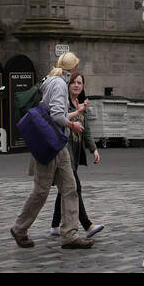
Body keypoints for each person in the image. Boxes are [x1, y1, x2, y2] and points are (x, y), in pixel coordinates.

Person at [10, 52, 94, 250]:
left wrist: (75, 113)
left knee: (70, 188)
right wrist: (72, 126)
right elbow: (57, 116)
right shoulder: (58, 84)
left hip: (58, 144)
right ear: (72, 68)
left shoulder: (51, 80)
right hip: (51, 144)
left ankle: (69, 235)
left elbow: (56, 112)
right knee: (41, 191)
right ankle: (19, 229)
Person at [50, 71, 103, 239]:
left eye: (79, 83)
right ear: (67, 84)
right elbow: (59, 119)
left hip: (75, 152)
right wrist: (76, 112)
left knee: (64, 190)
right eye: (73, 82)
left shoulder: (80, 104)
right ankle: (87, 225)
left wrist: (93, 148)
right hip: (64, 151)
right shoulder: (65, 103)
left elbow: (86, 130)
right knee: (74, 188)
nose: (76, 85)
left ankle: (54, 225)